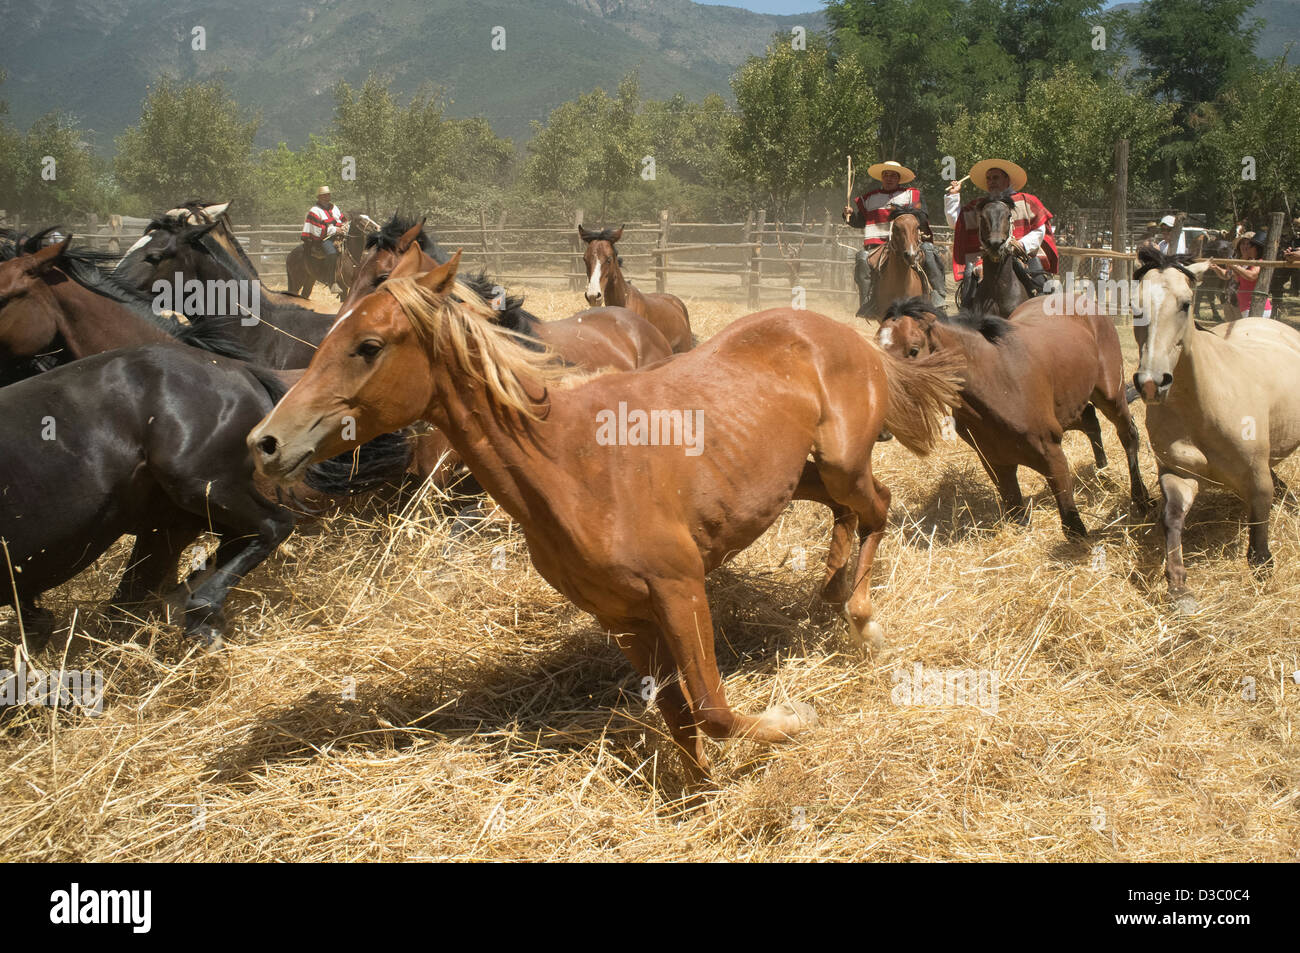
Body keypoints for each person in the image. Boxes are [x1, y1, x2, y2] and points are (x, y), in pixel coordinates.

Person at [843, 160, 946, 315]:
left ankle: (938, 296)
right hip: (878, 245)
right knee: (862, 258)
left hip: (908, 242)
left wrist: (908, 215)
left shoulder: (912, 194)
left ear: (899, 178)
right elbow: (860, 222)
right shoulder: (870, 198)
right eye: (886, 175)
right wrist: (848, 216)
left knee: (929, 250)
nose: (889, 178)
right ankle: (868, 302)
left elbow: (923, 216)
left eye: (893, 175)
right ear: (881, 178)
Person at [945, 159, 1058, 295]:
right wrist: (953, 195)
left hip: (1024, 256)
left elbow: (1039, 230)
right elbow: (956, 222)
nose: (991, 181)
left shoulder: (1027, 200)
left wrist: (1020, 245)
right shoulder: (981, 205)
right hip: (987, 257)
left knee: (1040, 287)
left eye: (996, 177)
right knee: (968, 289)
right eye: (989, 178)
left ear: (1007, 179)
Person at [1210, 230, 1271, 318]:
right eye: (1243, 243)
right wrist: (1216, 268)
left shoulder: (1257, 262)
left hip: (1252, 307)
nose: (1246, 247)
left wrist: (1234, 266)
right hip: (1237, 303)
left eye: (1249, 244)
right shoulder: (1237, 260)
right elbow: (1228, 275)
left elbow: (1251, 276)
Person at [301, 186, 347, 258]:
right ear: (319, 197)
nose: (326, 197)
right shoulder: (314, 211)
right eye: (324, 195)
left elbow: (343, 220)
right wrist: (335, 230)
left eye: (328, 195)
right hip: (324, 239)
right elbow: (317, 231)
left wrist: (344, 227)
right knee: (332, 254)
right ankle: (329, 269)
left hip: (340, 236)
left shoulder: (334, 207)